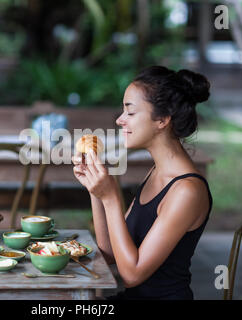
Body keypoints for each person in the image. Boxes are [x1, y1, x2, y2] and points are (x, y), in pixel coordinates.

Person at [72, 66, 213, 300]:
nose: (119, 120)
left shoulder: (187, 191)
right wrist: (95, 189)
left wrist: (111, 197)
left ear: (163, 119)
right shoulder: (156, 172)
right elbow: (109, 254)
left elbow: (132, 274)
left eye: (130, 112)